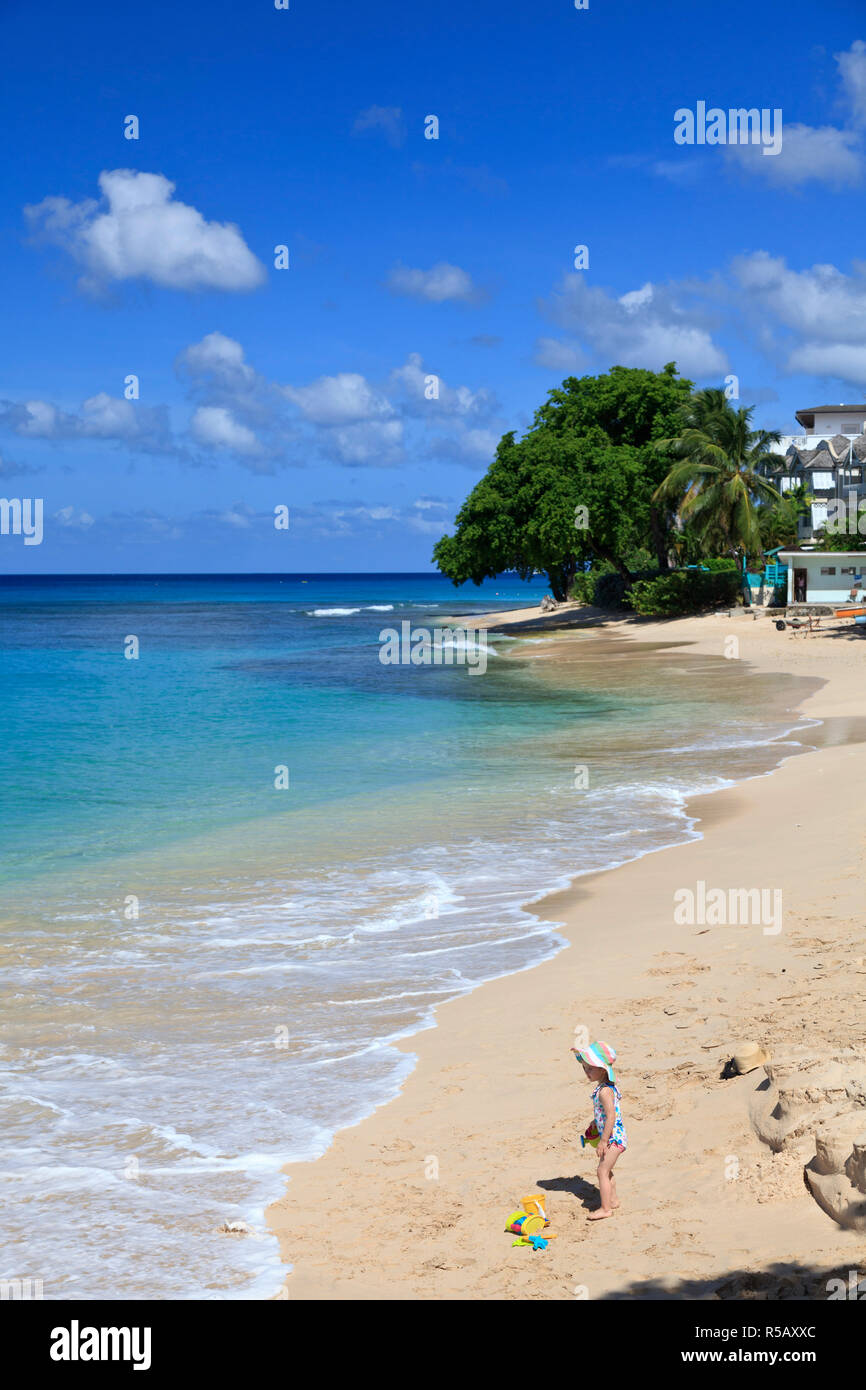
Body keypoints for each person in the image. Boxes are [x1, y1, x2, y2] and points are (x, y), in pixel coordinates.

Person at [571, 1040, 627, 1220]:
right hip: (613, 1136)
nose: (586, 1072)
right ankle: (613, 1200)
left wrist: (603, 1141)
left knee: (602, 1171)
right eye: (584, 1068)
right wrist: (595, 1123)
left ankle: (605, 1209)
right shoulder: (603, 1087)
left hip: (613, 1139)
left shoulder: (604, 1092)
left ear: (602, 1069)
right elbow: (605, 1115)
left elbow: (611, 1116)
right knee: (607, 1169)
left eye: (590, 1069)